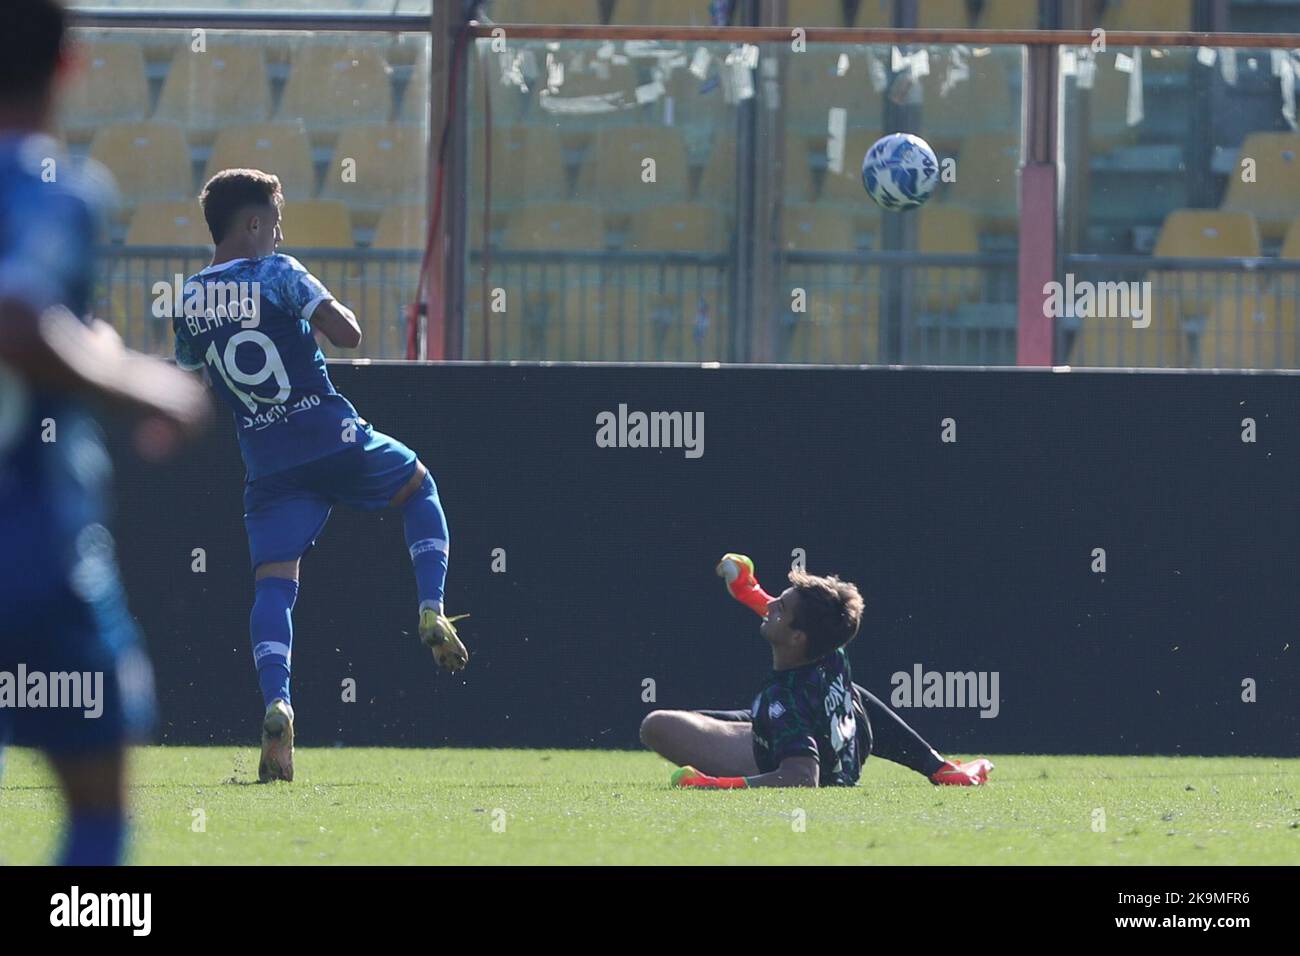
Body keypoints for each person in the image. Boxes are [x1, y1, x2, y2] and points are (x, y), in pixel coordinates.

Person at [170, 169, 466, 783]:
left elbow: (189, 375)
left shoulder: (190, 298)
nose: (277, 237)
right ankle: (431, 606)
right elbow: (348, 334)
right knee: (419, 487)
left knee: (274, 584)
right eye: (274, 226)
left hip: (268, 464)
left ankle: (278, 701)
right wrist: (314, 307)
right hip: (333, 438)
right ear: (253, 224)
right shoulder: (279, 272)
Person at [0, 0, 210, 863]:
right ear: (69, 64)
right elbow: (16, 316)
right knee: (96, 809)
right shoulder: (57, 189)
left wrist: (86, 344)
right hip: (33, 549)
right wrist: (145, 385)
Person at [640, 554, 994, 789]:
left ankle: (937, 766)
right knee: (852, 696)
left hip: (809, 758)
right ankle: (937, 766)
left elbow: (802, 776)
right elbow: (787, 617)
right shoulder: (830, 652)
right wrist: (746, 589)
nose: (771, 605)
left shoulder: (782, 700)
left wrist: (713, 785)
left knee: (658, 725)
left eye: (780, 607)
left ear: (796, 636)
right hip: (848, 743)